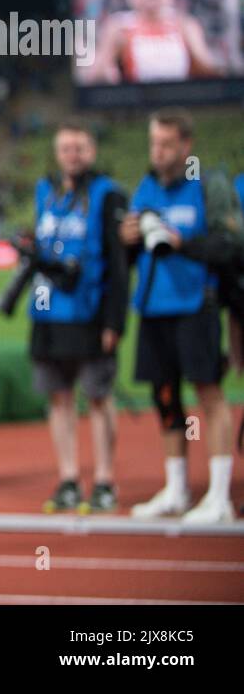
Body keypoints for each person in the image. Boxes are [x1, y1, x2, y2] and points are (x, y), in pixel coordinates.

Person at [122, 110, 241, 523]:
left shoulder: (207, 185)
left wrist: (181, 243)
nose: (158, 151)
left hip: (195, 305)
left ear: (186, 145)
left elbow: (231, 245)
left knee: (209, 393)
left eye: (167, 144)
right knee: (165, 397)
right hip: (153, 306)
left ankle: (220, 496)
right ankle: (176, 489)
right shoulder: (145, 188)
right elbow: (130, 254)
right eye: (154, 143)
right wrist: (127, 239)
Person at [28, 122, 128, 514]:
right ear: (57, 153)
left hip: (90, 314)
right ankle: (69, 479)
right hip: (47, 313)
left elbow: (119, 263)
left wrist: (114, 321)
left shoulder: (108, 194)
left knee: (98, 397)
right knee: (58, 397)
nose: (73, 155)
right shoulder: (45, 191)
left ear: (92, 151)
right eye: (66, 148)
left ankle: (104, 481)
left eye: (80, 147)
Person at [85, 0, 219, 84]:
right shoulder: (119, 26)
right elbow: (93, 76)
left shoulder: (186, 24)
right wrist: (108, 68)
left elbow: (207, 65)